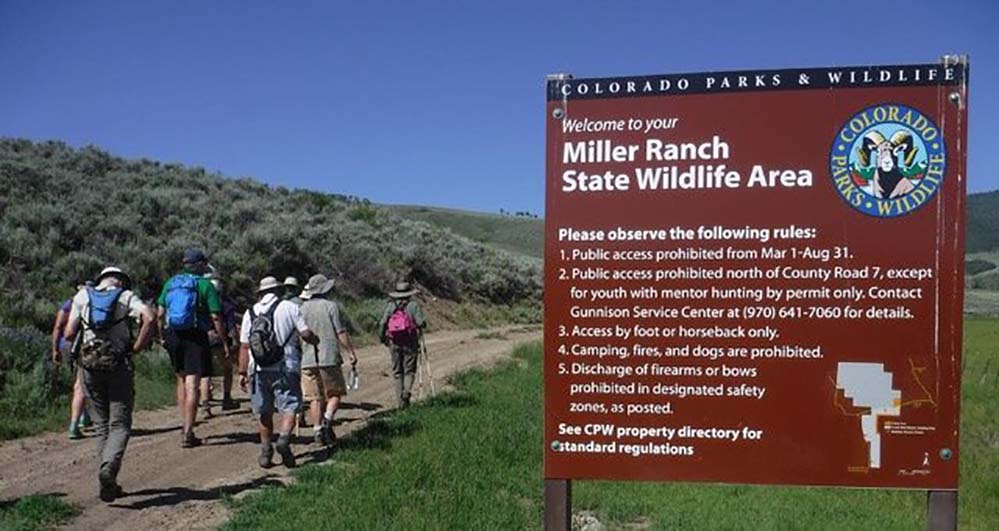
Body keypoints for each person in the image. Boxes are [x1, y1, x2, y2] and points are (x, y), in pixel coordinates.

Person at [63, 266, 155, 502]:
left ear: (100, 280)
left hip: (89, 367)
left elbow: (70, 332)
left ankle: (107, 478)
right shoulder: (126, 296)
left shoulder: (82, 296)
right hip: (119, 365)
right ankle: (110, 469)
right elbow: (150, 317)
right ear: (121, 281)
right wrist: (137, 347)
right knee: (120, 424)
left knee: (101, 425)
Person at [238, 276, 317, 468]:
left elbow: (244, 346)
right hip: (286, 366)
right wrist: (315, 340)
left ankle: (266, 451)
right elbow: (305, 333)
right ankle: (283, 440)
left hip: (258, 369)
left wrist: (241, 372)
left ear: (261, 293)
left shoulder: (250, 312)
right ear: (278, 291)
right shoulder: (290, 308)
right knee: (289, 407)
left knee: (264, 412)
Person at [156, 249, 230, 448]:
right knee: (193, 382)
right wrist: (224, 341)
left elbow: (160, 313)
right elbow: (216, 317)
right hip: (195, 336)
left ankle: (184, 423)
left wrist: (162, 336)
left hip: (173, 334)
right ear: (201, 265)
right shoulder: (205, 285)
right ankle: (188, 431)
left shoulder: (171, 283)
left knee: (180, 378)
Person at [299, 274, 358, 446]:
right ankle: (327, 420)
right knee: (335, 393)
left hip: (307, 359)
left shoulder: (301, 308)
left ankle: (317, 429)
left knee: (314, 397)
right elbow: (341, 332)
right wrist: (350, 352)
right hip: (329, 357)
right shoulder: (331, 306)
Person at [377, 281, 427, 408]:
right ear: (409, 293)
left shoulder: (390, 306)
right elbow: (420, 323)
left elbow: (382, 323)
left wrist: (383, 338)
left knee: (397, 372)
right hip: (410, 341)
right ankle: (406, 392)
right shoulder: (413, 305)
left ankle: (400, 403)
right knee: (409, 370)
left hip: (394, 341)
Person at [51, 285, 91, 439]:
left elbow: (58, 327)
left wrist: (55, 349)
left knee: (79, 381)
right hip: (82, 347)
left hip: (66, 346)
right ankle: (79, 420)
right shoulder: (89, 304)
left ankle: (83, 417)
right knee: (83, 382)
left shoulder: (68, 304)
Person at [200, 278, 241, 414]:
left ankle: (206, 404)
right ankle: (226, 398)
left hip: (205, 339)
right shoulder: (226, 304)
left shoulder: (203, 303)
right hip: (221, 340)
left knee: (205, 373)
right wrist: (234, 342)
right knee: (227, 369)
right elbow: (231, 326)